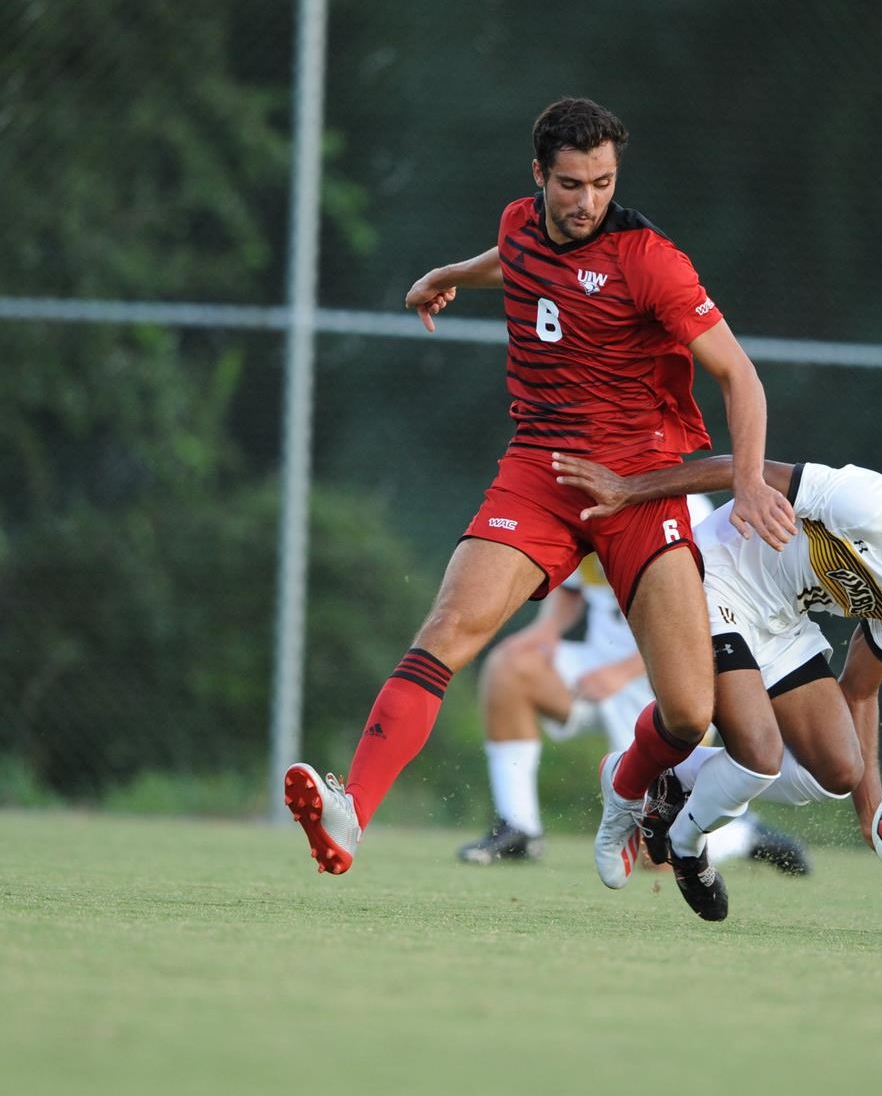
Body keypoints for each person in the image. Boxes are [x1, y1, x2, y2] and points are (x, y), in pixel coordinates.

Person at [283, 97, 796, 876]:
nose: (588, 199)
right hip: (543, 472)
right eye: (570, 184)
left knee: (690, 713)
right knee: (449, 626)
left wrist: (750, 481)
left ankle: (625, 785)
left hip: (638, 487)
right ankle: (351, 808)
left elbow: (740, 375)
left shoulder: (650, 260)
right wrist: (450, 275)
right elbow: (515, 257)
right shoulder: (520, 224)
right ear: (539, 175)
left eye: (602, 182)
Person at [554, 452, 882, 919]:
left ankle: (672, 777)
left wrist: (872, 814)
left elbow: (860, 691)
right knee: (759, 755)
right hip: (722, 576)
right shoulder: (873, 505)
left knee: (840, 772)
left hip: (783, 621)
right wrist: (629, 489)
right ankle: (688, 846)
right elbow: (743, 470)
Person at [455, 508, 812, 877]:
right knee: (507, 668)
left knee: (654, 855)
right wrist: (545, 630)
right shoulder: (588, 494)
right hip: (595, 664)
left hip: (665, 682)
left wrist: (622, 671)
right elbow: (574, 586)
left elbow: (702, 620)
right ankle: (519, 827)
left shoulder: (692, 510)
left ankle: (744, 835)